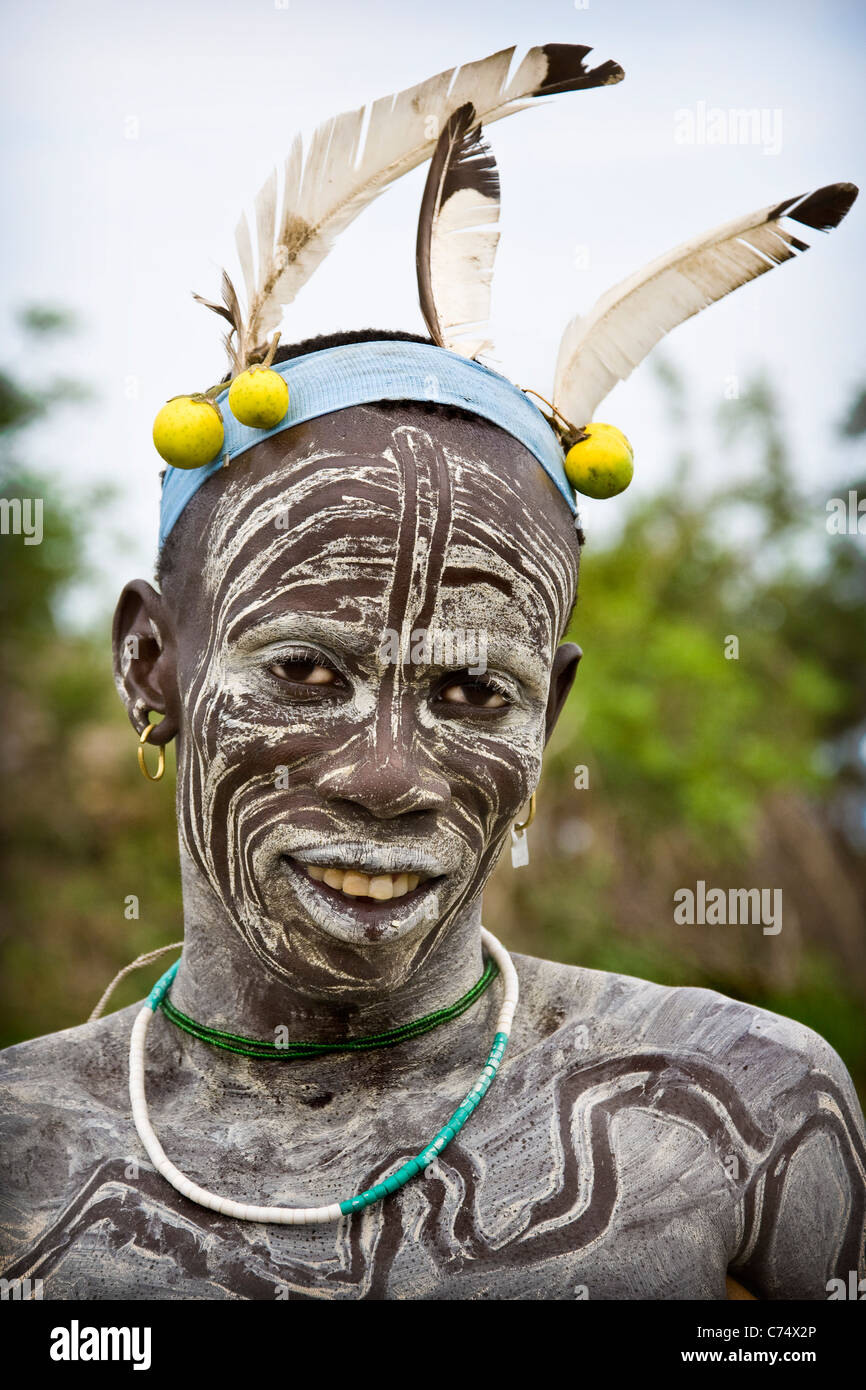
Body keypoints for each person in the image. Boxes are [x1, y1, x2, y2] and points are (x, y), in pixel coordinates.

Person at [1, 42, 863, 1301]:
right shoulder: (23, 1154)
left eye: (472, 692)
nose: (388, 776)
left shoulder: (736, 1114)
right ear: (152, 663)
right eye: (302, 670)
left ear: (548, 713)